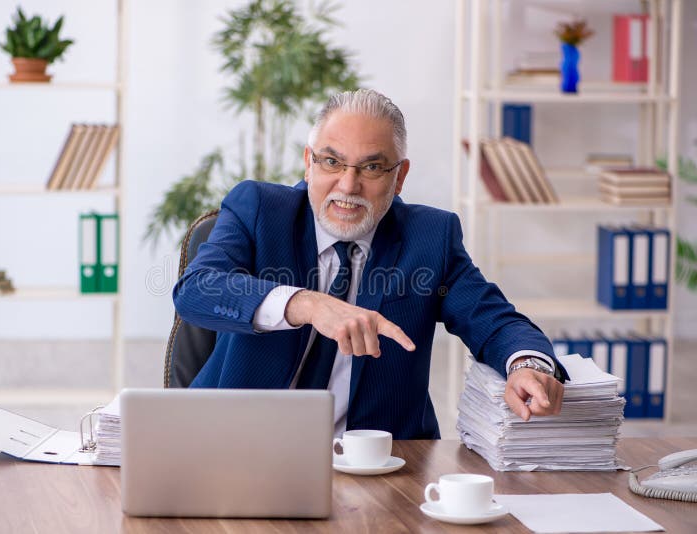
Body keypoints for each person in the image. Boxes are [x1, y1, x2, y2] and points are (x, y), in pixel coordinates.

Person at [173, 89, 569, 439]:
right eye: (332, 162)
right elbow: (197, 289)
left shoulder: (430, 237)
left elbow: (494, 319)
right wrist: (308, 305)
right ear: (308, 162)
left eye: (372, 167)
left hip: (383, 467)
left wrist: (528, 365)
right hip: (236, 448)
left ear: (399, 177)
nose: (348, 185)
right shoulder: (258, 209)